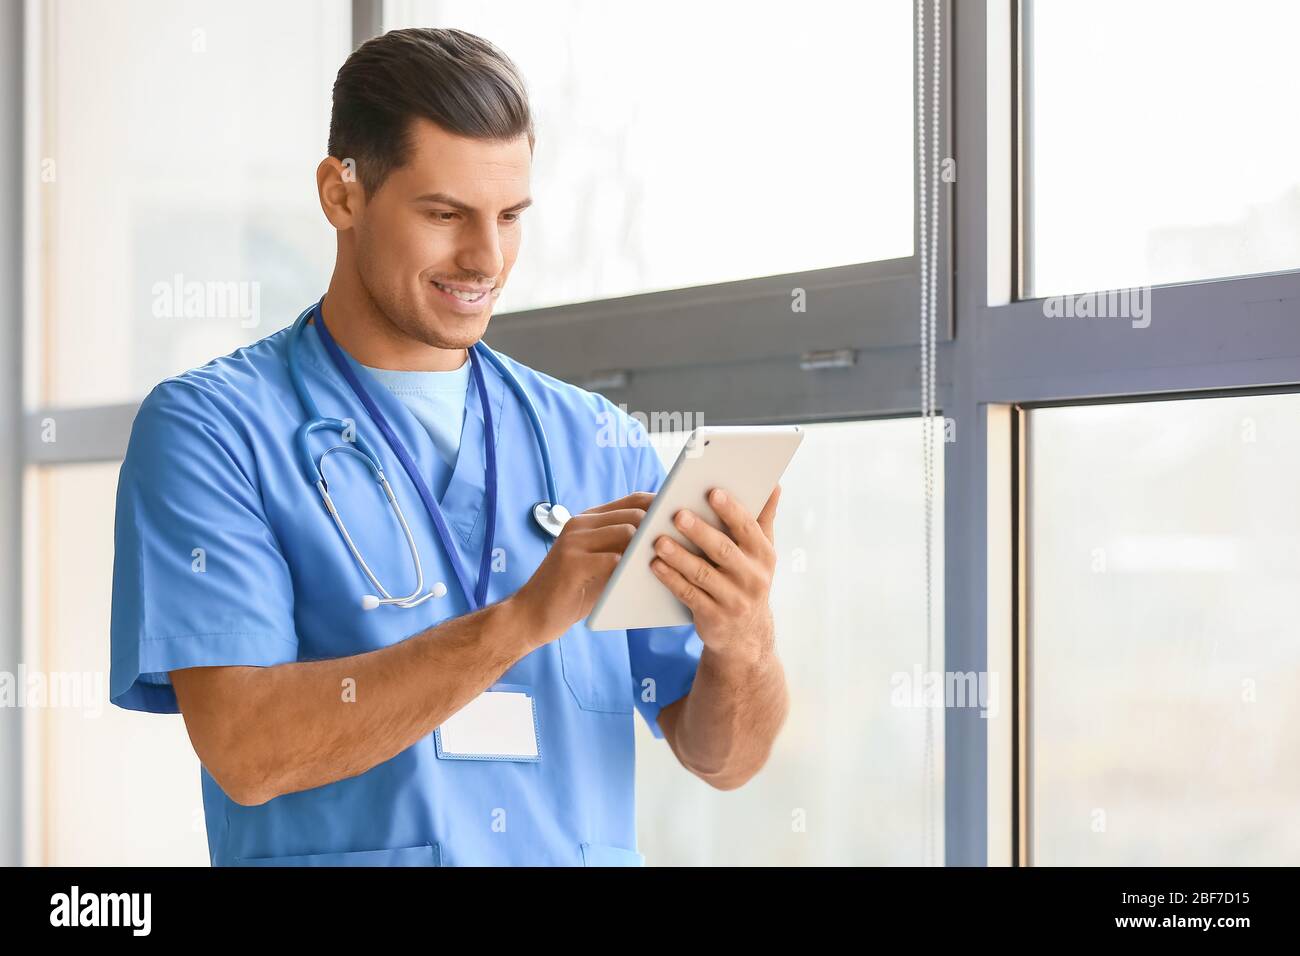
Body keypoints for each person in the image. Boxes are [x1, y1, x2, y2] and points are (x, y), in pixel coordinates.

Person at [109, 27, 789, 867]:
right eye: (445, 214)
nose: (487, 258)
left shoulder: (595, 439)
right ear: (342, 194)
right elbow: (247, 751)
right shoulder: (213, 431)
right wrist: (518, 623)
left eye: (510, 217)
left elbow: (721, 756)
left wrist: (743, 638)